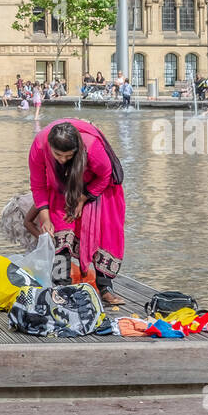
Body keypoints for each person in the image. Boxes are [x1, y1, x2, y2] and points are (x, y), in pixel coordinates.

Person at [29, 119, 126, 308]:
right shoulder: (39, 147)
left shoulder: (92, 147)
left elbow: (105, 175)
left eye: (68, 156)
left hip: (97, 186)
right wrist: (45, 217)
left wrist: (83, 199)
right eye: (58, 155)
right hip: (61, 186)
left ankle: (105, 288)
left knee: (103, 232)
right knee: (58, 229)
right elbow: (38, 185)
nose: (63, 160)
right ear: (50, 147)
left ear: (77, 149)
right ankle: (60, 286)